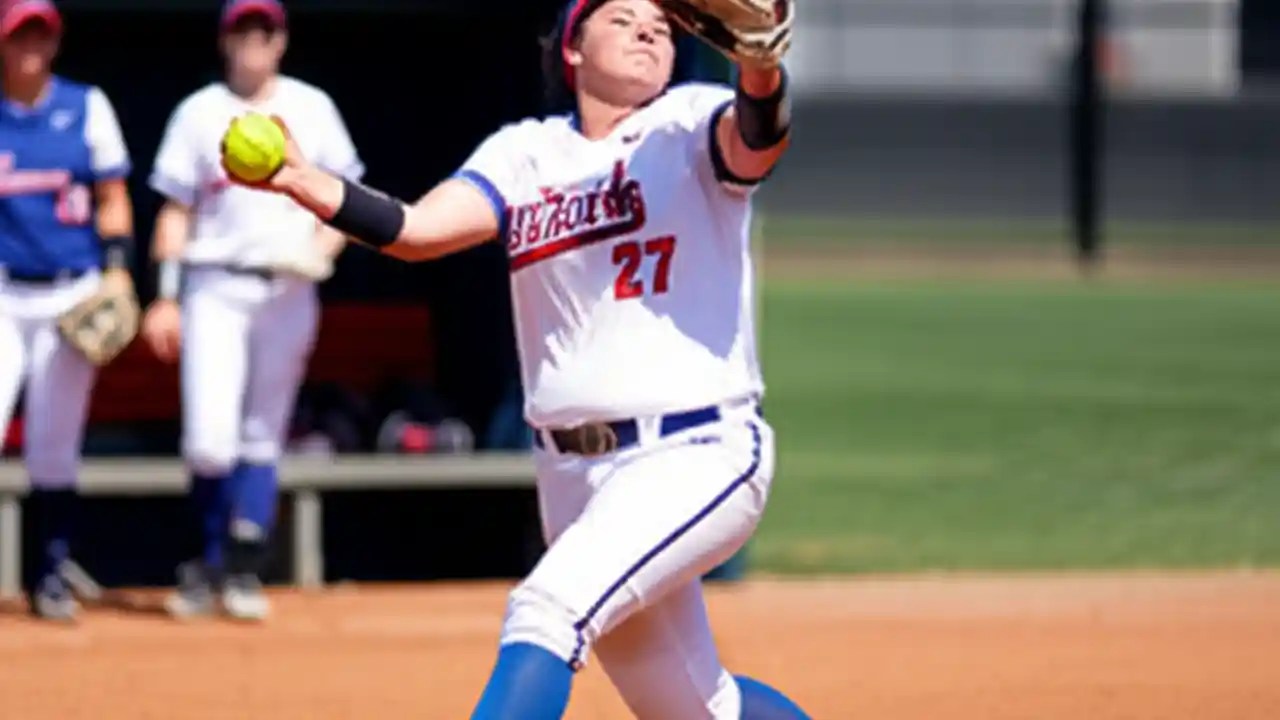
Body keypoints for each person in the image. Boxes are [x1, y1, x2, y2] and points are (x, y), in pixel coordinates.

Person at [227, 0, 809, 715]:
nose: (649, 29)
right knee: (702, 709)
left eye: (659, 23)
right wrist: (300, 179)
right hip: (570, 474)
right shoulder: (524, 154)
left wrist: (759, 64)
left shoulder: (692, 120)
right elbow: (416, 230)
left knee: (545, 610)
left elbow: (757, 138)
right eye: (623, 19)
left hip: (692, 449)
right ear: (571, 48)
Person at [142, 0, 363, 622]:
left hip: (289, 287)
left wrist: (322, 252)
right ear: (224, 39)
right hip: (215, 282)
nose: (253, 40)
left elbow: (345, 197)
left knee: (263, 432)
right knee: (209, 438)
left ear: (282, 40)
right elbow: (175, 211)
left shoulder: (312, 107)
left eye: (264, 29)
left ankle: (240, 569)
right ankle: (204, 561)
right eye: (243, 28)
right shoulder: (199, 112)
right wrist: (164, 294)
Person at [0, 0, 136, 622]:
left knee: (55, 445)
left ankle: (49, 574)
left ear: (54, 41)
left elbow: (113, 196)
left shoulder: (87, 104)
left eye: (40, 33)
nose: (30, 45)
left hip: (70, 293)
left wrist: (117, 275)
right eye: (18, 33)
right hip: (4, 293)